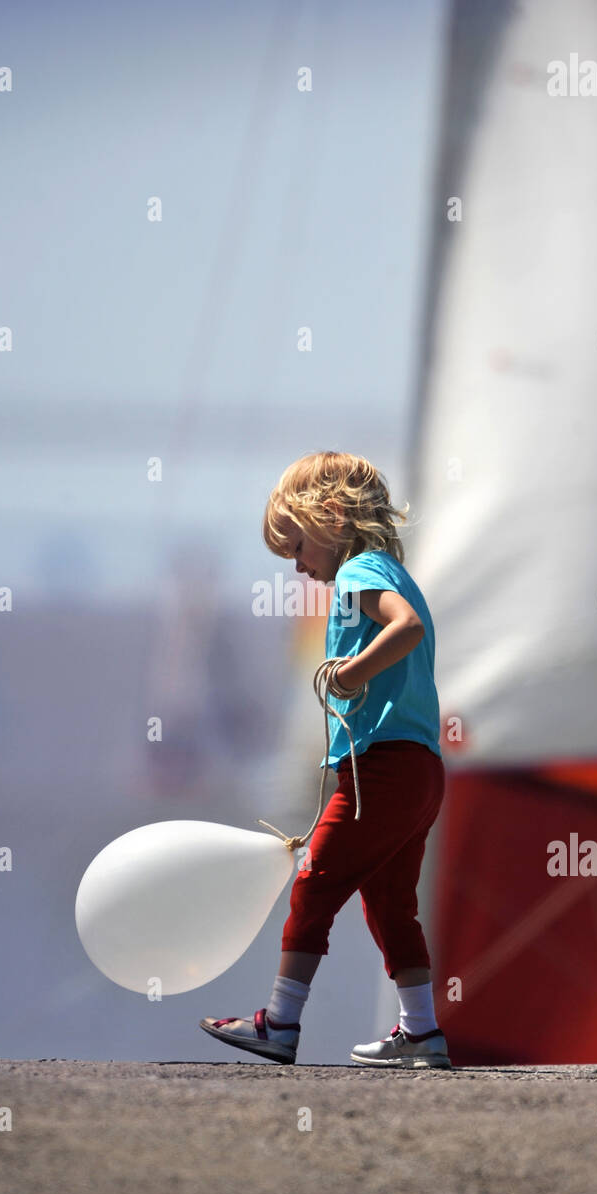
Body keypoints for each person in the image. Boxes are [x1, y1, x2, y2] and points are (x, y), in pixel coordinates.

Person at [200, 451, 451, 1069]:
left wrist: (353, 672)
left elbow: (408, 627)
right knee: (390, 903)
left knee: (315, 881)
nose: (298, 567)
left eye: (297, 549)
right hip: (418, 772)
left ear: (332, 518)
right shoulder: (387, 568)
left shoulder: (360, 572)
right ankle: (421, 1033)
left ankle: (279, 1024)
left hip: (382, 769)